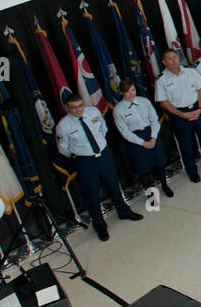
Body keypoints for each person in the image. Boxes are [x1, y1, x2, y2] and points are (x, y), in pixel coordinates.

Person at [55, 94, 144, 242]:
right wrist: (82, 153)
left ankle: (124, 211)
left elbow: (103, 128)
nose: (78, 110)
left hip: (103, 155)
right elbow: (63, 149)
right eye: (74, 107)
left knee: (113, 185)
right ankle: (100, 226)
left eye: (80, 106)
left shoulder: (93, 112)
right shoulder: (63, 126)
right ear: (68, 108)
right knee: (91, 193)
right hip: (85, 161)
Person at [156, 49, 201, 182]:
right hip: (179, 115)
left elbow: (200, 90)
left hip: (197, 110)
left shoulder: (190, 72)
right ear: (164, 62)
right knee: (186, 145)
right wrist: (181, 114)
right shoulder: (162, 81)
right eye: (170, 59)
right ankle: (192, 172)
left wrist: (200, 108)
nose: (174, 61)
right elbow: (163, 102)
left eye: (175, 57)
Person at [113, 78, 173, 198]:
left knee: (159, 163)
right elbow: (125, 132)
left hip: (151, 134)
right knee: (143, 168)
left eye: (133, 90)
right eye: (128, 91)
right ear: (122, 93)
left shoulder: (144, 101)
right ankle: (151, 194)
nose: (132, 93)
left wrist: (153, 138)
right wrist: (142, 143)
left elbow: (154, 120)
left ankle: (165, 185)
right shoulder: (118, 109)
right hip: (135, 139)